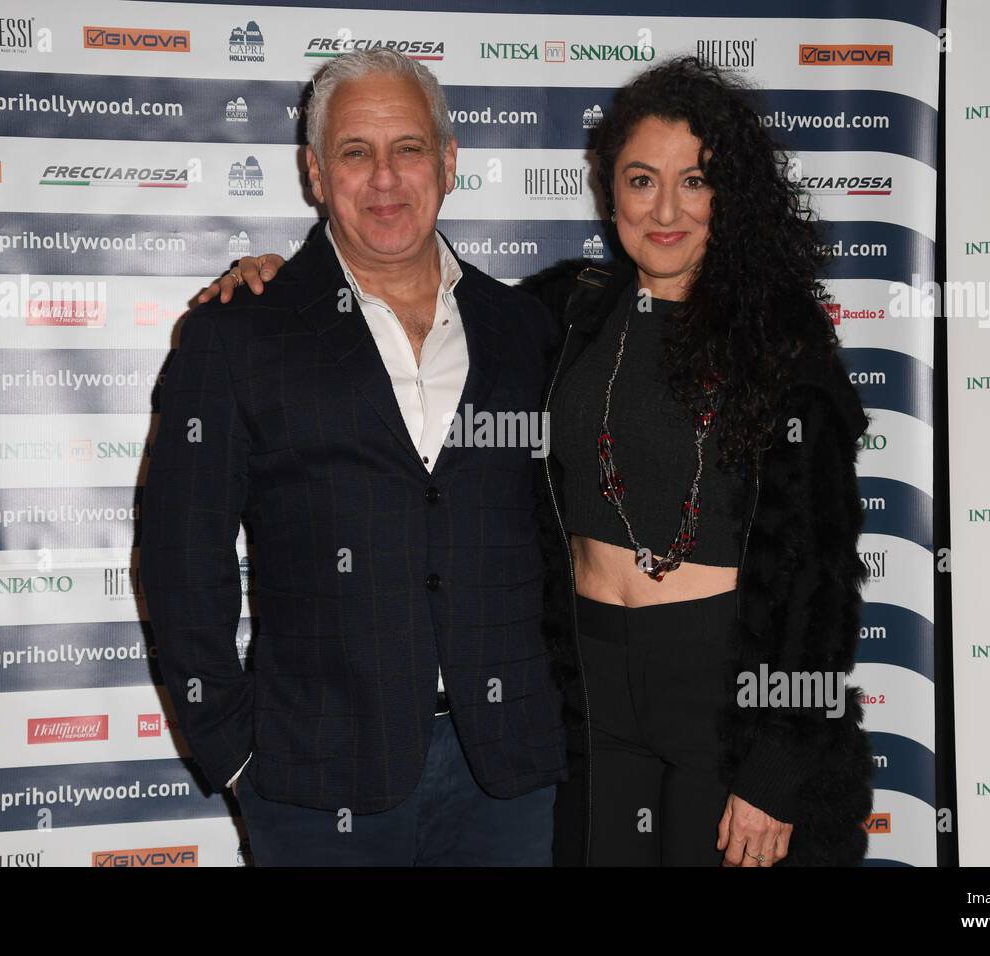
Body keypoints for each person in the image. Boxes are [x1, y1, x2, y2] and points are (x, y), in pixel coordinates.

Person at [202, 56, 874, 866]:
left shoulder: (786, 344)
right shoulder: (563, 315)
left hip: (724, 691)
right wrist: (276, 278)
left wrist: (776, 768)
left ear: (731, 195)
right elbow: (390, 302)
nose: (666, 209)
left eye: (695, 181)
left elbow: (821, 574)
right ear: (609, 191)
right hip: (586, 704)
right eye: (640, 180)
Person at [141, 48, 566, 867]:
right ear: (313, 172)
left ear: (448, 163)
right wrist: (236, 753)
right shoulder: (241, 333)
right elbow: (179, 558)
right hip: (311, 780)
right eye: (354, 152)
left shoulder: (529, 330)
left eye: (408, 149)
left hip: (511, 776)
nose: (384, 179)